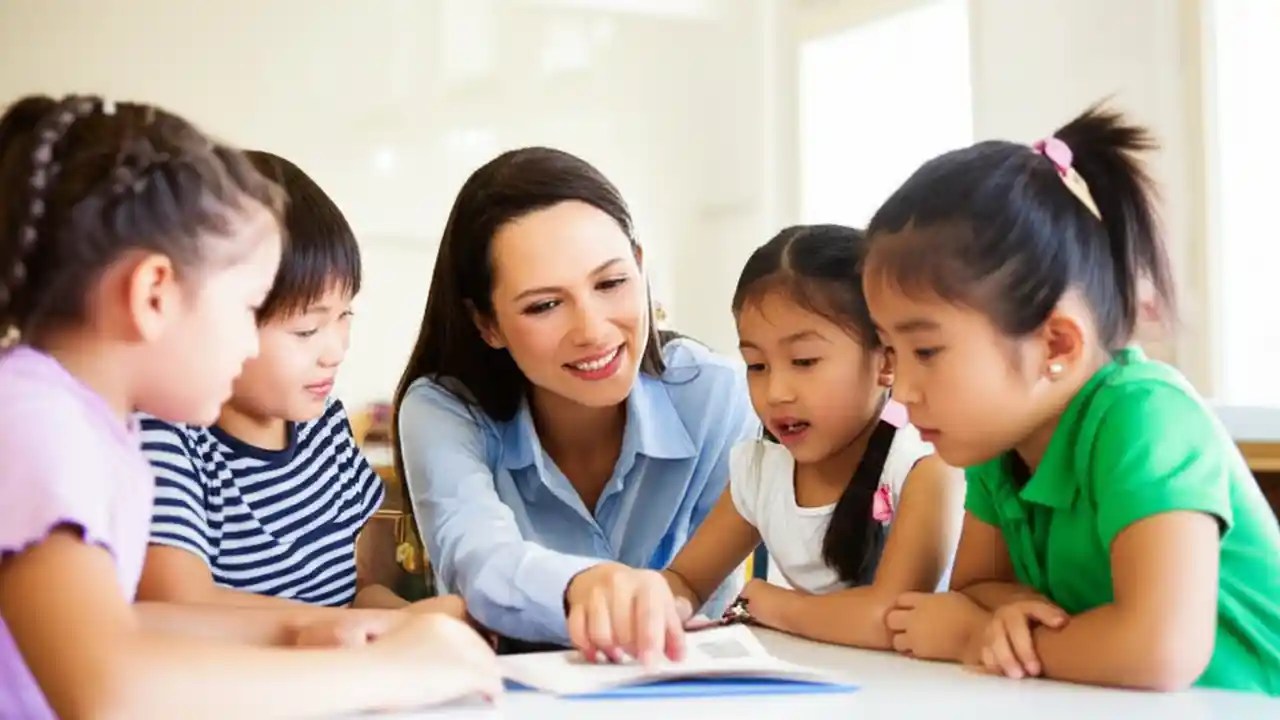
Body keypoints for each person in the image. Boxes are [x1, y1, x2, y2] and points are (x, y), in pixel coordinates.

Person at [0, 94, 500, 719]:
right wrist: (390, 671)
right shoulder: (35, 421)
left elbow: (137, 625)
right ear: (154, 293)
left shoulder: (86, 425)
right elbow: (109, 689)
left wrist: (322, 632)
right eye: (246, 307)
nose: (244, 344)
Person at [870, 104, 1280, 694]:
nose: (902, 390)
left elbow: (1159, 649)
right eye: (890, 351)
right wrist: (997, 614)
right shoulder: (993, 444)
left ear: (1056, 343)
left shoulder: (1145, 418)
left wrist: (977, 637)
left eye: (927, 352)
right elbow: (974, 594)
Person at [394, 147, 757, 654]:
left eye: (611, 283)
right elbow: (475, 558)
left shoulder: (715, 395)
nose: (592, 330)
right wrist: (581, 587)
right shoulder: (443, 409)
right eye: (544, 305)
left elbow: (708, 600)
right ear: (487, 323)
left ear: (640, 266)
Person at [637, 225, 963, 654]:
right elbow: (685, 581)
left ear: (887, 361)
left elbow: (890, 619)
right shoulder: (760, 468)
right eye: (756, 365)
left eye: (804, 361)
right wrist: (649, 609)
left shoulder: (923, 466)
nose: (776, 392)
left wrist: (771, 604)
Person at [137, 150, 432, 611]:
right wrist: (339, 630)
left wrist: (416, 620)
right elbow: (178, 605)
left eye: (344, 315)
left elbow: (354, 592)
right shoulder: (168, 436)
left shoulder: (324, 426)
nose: (336, 350)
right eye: (306, 331)